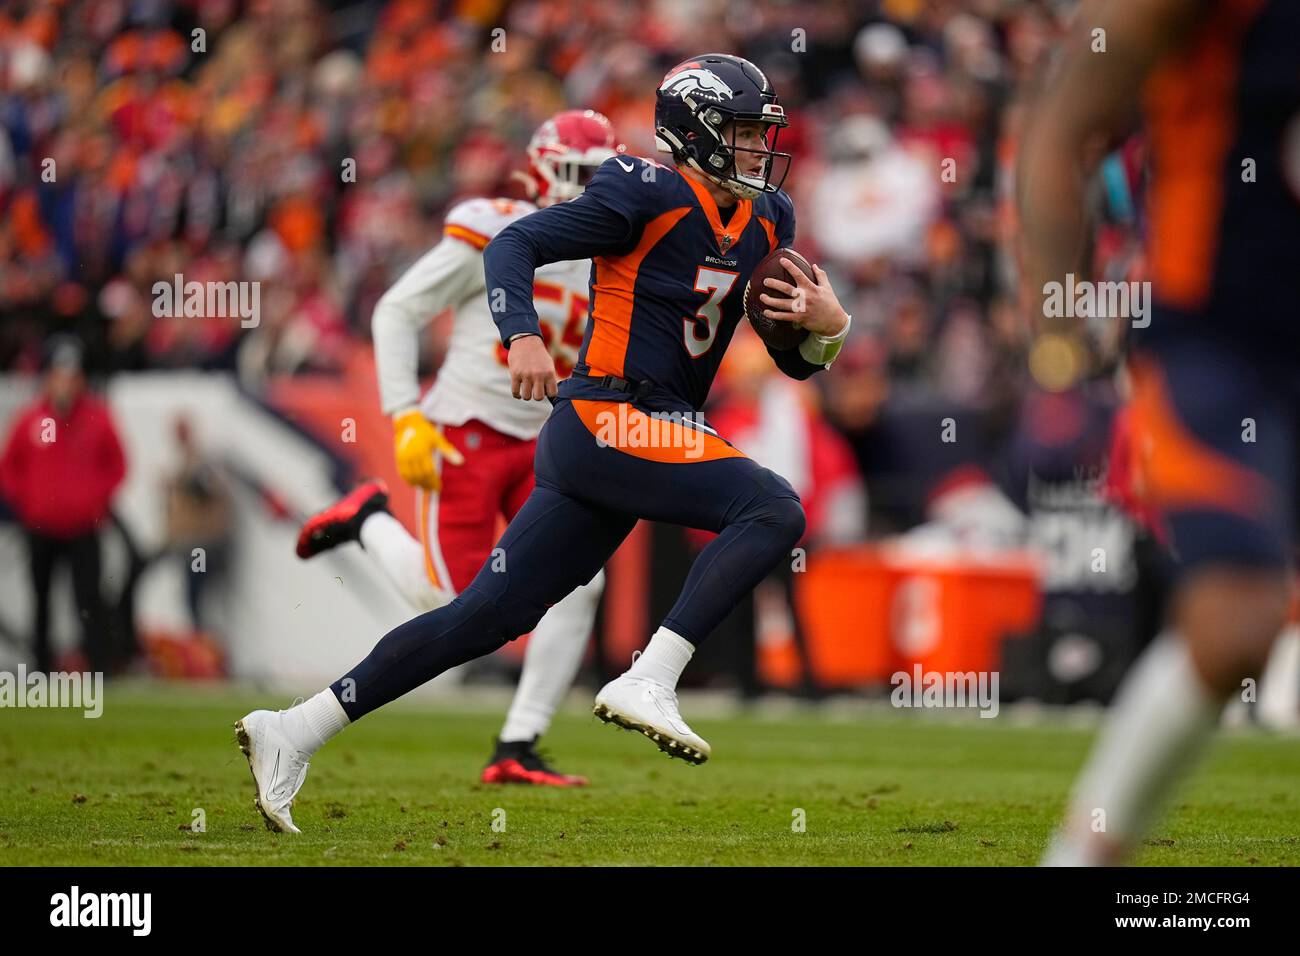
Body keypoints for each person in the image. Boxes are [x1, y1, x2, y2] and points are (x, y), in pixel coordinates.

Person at [235, 54, 853, 834]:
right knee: (771, 507)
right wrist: (521, 336)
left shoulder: (769, 218)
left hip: (638, 430)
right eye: (740, 133)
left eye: (762, 135)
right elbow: (512, 247)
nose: (758, 151)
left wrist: (832, 332)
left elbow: (796, 362)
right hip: (607, 417)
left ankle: (293, 730)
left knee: (483, 615)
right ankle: (651, 679)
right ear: (694, 132)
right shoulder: (643, 189)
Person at [1018, 0, 1300, 864]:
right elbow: (1063, 129)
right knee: (1235, 624)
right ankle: (1085, 857)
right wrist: (1058, 327)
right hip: (1219, 341)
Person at [294, 110, 619, 787]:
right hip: (467, 432)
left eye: (598, 177)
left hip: (546, 445)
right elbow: (397, 309)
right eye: (573, 176)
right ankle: (367, 519)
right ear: (539, 174)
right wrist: (403, 415)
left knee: (582, 582)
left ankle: (518, 744)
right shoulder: (496, 228)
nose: (587, 191)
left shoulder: (619, 248)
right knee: (455, 605)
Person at [0, 336, 126, 673]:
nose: (66, 384)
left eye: (72, 376)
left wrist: (93, 500)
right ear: (49, 378)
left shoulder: (97, 418)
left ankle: (99, 668)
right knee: (41, 600)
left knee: (89, 599)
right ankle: (41, 666)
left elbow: (118, 465)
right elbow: (9, 468)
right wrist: (28, 502)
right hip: (41, 527)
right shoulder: (31, 420)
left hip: (83, 527)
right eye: (60, 374)